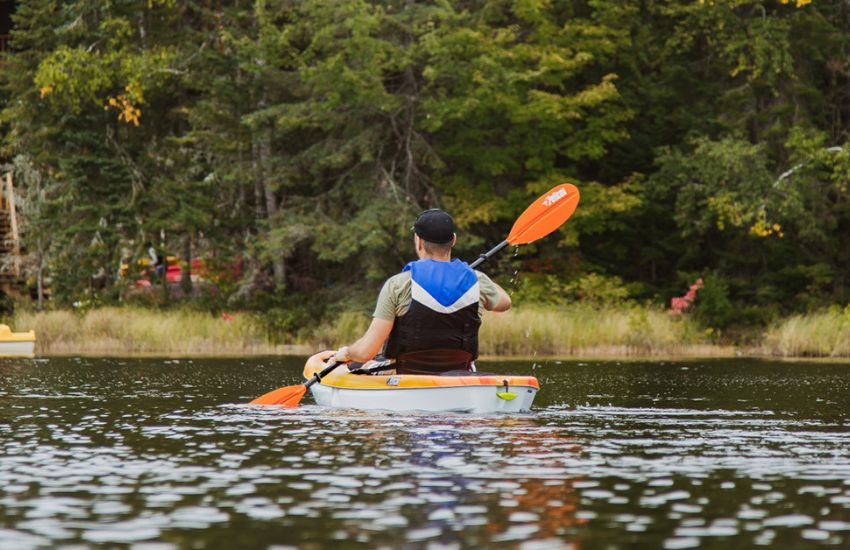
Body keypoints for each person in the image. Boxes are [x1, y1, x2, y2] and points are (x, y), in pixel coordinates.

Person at [331, 208, 512, 374]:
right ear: (454, 240)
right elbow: (504, 303)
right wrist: (476, 276)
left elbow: (365, 352)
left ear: (418, 241)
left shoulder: (397, 285)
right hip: (458, 373)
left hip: (405, 375)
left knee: (349, 367)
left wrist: (347, 352)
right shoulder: (477, 281)